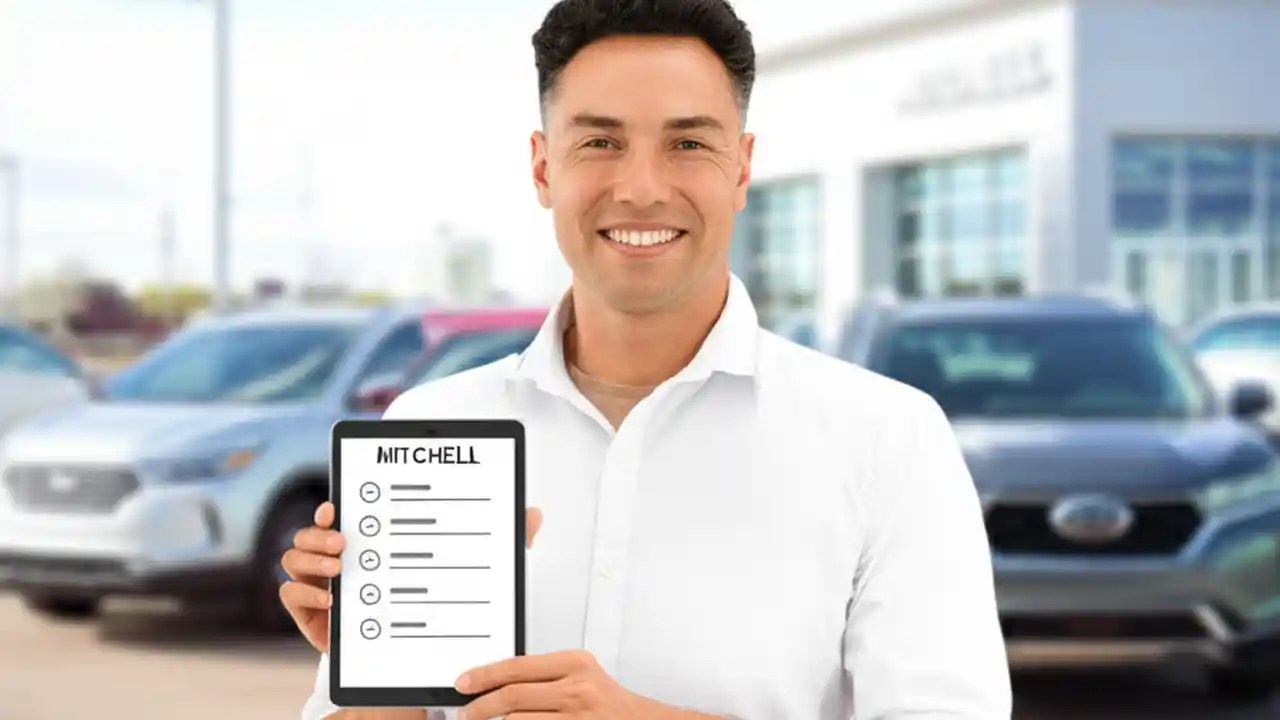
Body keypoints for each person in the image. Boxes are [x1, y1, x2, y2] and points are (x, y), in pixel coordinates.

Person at [283, 1, 1012, 718]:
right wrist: (378, 683)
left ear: (742, 169)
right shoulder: (431, 428)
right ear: (543, 169)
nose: (639, 189)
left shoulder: (887, 439)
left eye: (687, 144)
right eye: (599, 143)